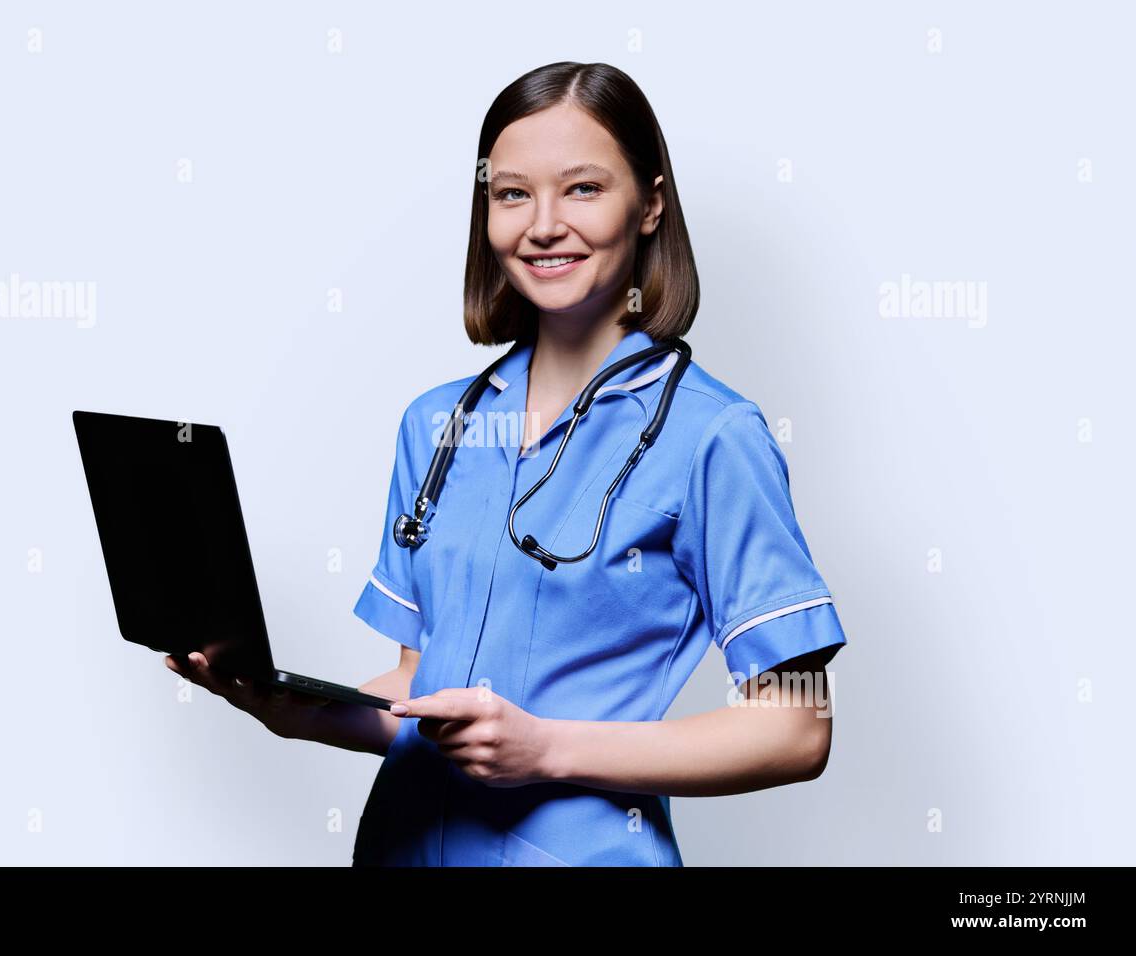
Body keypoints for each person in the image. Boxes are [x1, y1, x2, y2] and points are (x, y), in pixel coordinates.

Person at [168, 61, 848, 867]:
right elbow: (419, 692)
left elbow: (797, 727)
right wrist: (284, 705)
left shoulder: (712, 437)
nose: (544, 225)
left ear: (651, 204)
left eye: (584, 189)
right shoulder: (438, 425)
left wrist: (546, 748)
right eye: (513, 193)